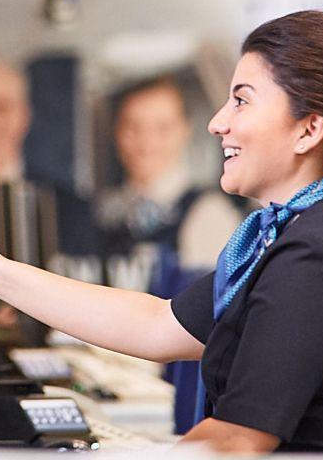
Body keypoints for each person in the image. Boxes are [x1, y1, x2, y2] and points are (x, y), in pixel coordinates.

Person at [0, 11, 323, 453]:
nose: (218, 123)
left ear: (309, 128)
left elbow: (239, 439)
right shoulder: (288, 237)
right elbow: (156, 325)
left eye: (241, 101)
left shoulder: (320, 254)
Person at [97, 76, 243, 432]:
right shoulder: (103, 213)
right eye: (134, 127)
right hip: (116, 387)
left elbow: (212, 328)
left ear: (183, 131)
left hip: (175, 398)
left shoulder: (207, 213)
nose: (146, 142)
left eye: (161, 128)